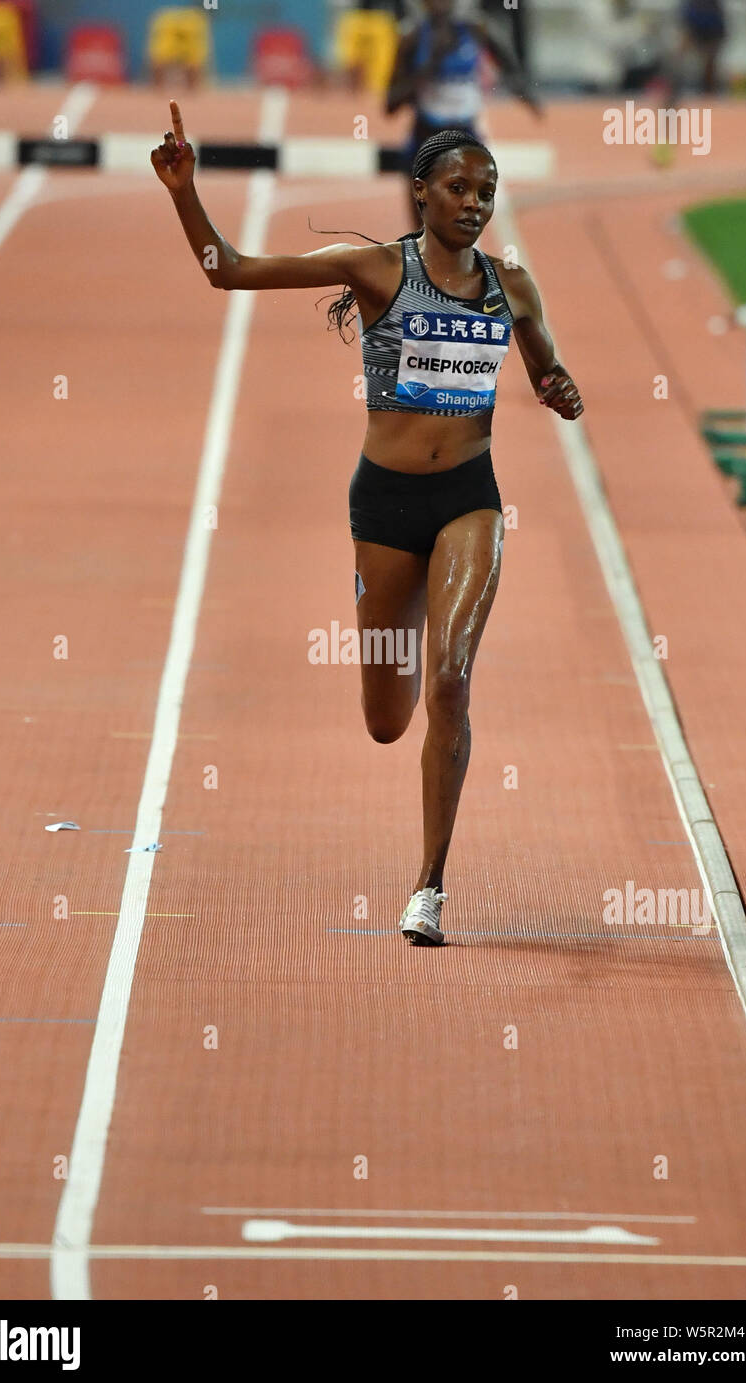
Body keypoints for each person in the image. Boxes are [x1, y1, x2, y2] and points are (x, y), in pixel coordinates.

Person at [151, 106, 583, 946]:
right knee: (387, 718)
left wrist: (558, 387)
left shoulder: (512, 285)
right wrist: (185, 190)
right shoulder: (375, 268)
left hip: (470, 499)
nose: (474, 202)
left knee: (449, 680)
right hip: (384, 507)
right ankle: (400, 662)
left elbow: (544, 366)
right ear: (419, 193)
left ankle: (429, 887)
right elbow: (228, 270)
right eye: (458, 187)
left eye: (486, 191)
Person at [385, 0, 542, 227]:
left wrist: (526, 95)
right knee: (422, 231)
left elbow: (510, 66)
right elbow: (390, 105)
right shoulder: (412, 36)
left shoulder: (476, 28)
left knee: (463, 227)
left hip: (465, 139)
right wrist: (430, 66)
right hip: (425, 139)